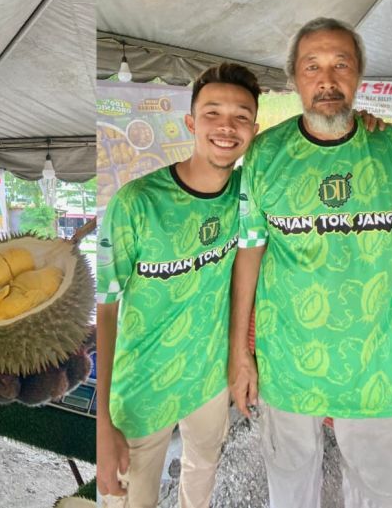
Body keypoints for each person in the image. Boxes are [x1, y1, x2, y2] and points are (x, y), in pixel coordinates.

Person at [229, 17, 392, 507]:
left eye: (340, 64)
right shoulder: (266, 155)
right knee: (290, 486)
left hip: (377, 364)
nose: (327, 80)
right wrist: (240, 351)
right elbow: (249, 252)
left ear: (359, 73)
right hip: (288, 362)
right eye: (312, 66)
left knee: (387, 491)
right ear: (294, 78)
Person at [96, 63, 261, 508]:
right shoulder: (136, 203)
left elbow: (308, 155)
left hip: (209, 379)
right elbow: (106, 307)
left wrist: (359, 123)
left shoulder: (249, 194)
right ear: (190, 123)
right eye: (212, 113)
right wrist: (103, 424)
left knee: (202, 473)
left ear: (254, 131)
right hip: (140, 392)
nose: (226, 127)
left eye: (241, 117)